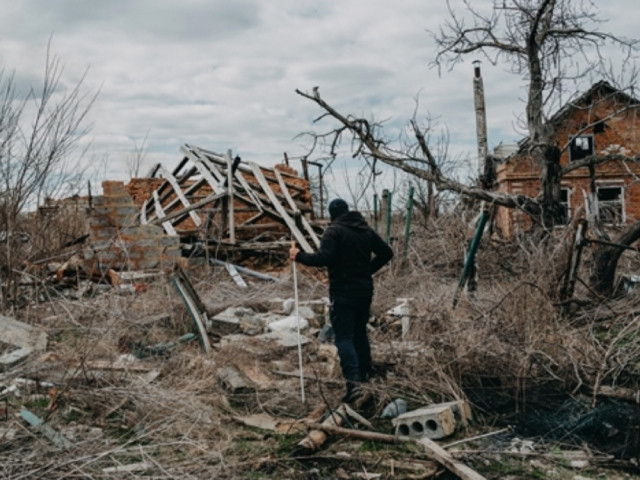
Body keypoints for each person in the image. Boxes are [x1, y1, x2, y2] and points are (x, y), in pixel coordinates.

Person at [289, 198, 393, 403]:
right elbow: (386, 253)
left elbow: (323, 258)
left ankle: (353, 385)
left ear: (332, 214)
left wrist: (298, 255)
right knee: (359, 334)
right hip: (364, 291)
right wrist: (365, 272)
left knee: (344, 338)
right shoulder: (365, 230)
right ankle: (366, 376)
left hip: (343, 293)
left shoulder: (334, 231)